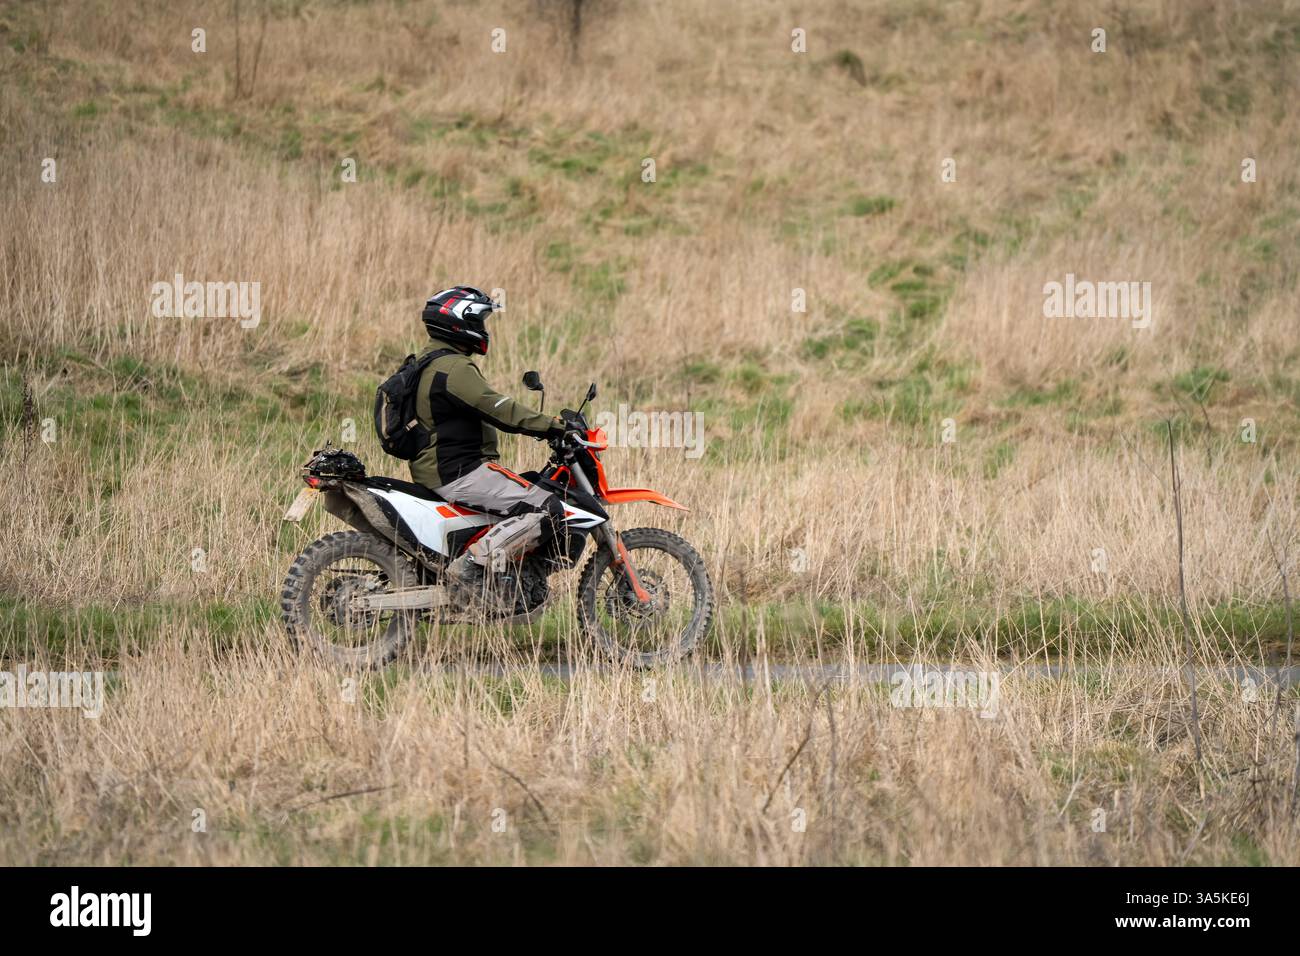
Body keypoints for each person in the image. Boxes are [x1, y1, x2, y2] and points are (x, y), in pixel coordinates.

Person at [408, 286, 569, 591]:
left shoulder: (428, 360)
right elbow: (499, 409)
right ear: (461, 323)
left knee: (525, 492)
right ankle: (470, 567)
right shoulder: (453, 367)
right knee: (547, 508)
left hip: (440, 468)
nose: (483, 330)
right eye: (479, 321)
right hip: (459, 471)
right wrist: (552, 425)